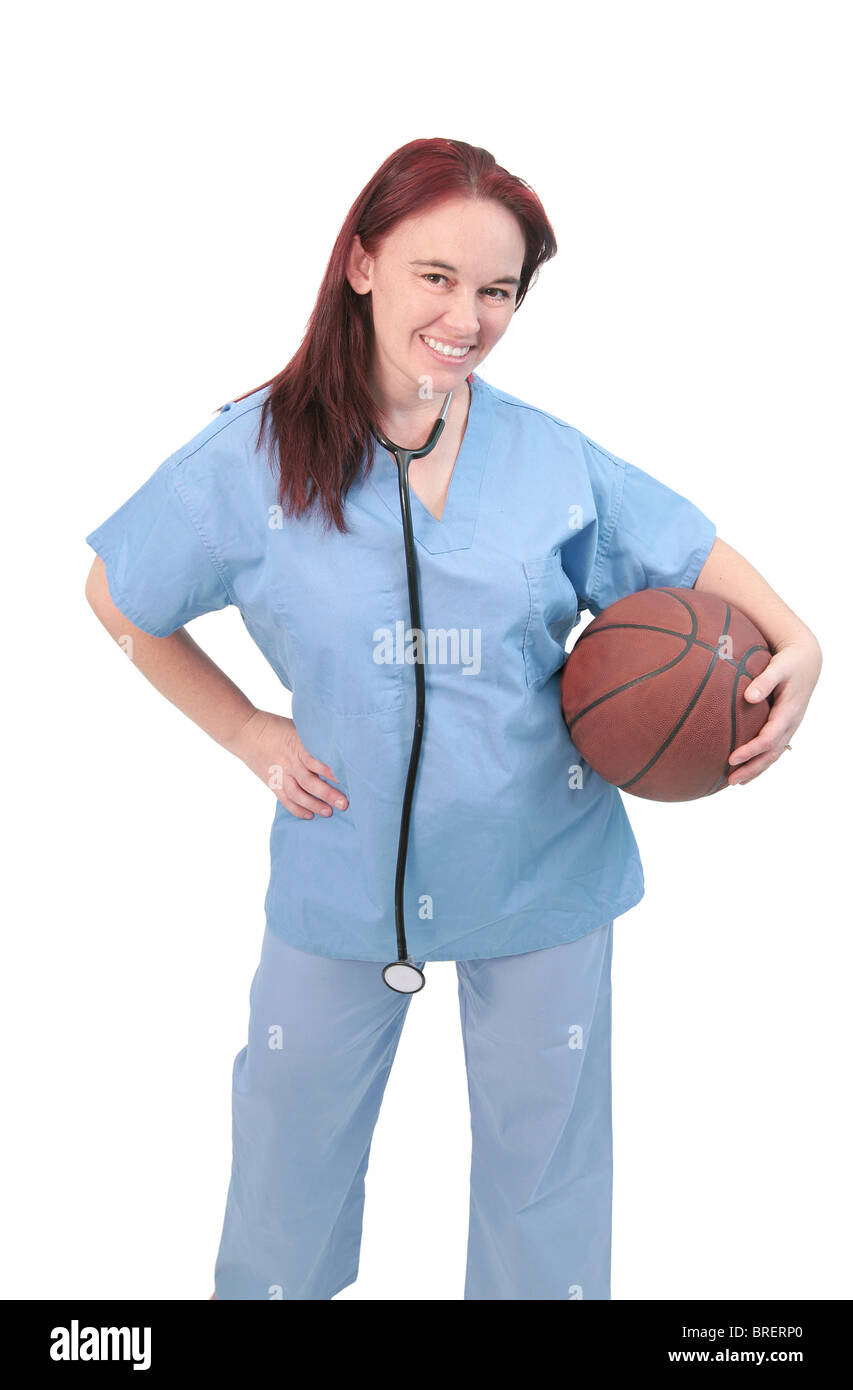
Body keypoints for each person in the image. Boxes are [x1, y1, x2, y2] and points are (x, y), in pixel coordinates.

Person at [84, 137, 822, 1300]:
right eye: (437, 276)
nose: (467, 317)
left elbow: (695, 558)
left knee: (547, 1179)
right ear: (364, 263)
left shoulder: (550, 458)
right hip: (341, 864)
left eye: (498, 290)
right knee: (288, 1157)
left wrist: (803, 645)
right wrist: (247, 733)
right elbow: (118, 599)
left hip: (542, 864)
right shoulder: (250, 457)